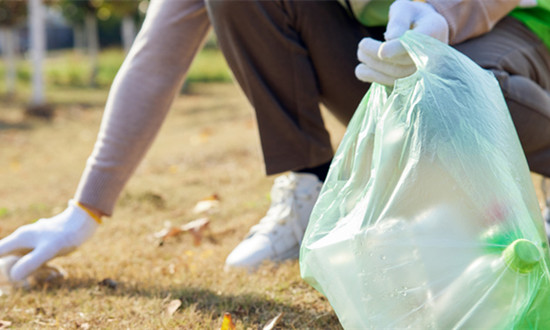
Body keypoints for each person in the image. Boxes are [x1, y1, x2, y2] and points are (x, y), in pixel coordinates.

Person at [1, 0, 549, 283]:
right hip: (388, 54)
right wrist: (85, 209)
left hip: (510, 32)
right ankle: (309, 187)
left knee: (471, 98)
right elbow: (157, 54)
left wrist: (447, 14)